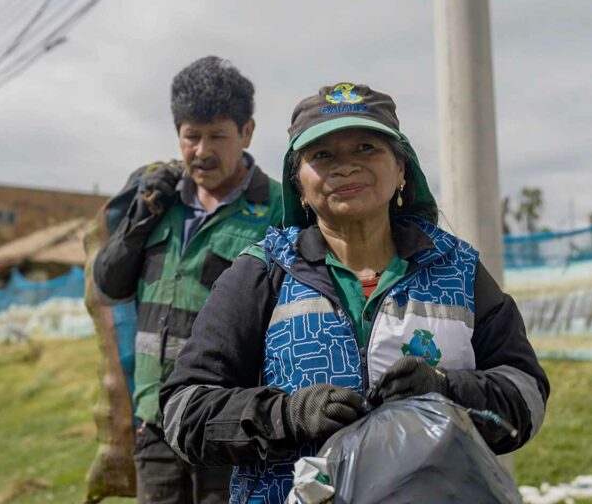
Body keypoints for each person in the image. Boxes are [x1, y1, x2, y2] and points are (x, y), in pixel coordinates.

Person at [159, 83, 549, 504]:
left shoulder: (459, 269)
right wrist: (285, 415)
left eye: (366, 148)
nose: (345, 167)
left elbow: (526, 397)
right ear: (299, 181)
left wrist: (445, 389)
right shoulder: (262, 272)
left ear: (401, 168)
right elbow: (184, 412)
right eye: (322, 155)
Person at [93, 56, 283, 504]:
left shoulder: (278, 209)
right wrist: (141, 216)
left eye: (218, 136)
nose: (202, 151)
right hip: (154, 420)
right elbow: (108, 285)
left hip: (229, 421)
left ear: (247, 133)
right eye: (191, 136)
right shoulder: (158, 200)